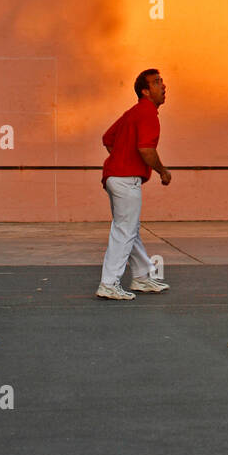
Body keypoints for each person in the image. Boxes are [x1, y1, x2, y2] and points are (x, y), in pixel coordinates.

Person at [97, 68, 172, 300]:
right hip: (125, 180)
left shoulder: (133, 113)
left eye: (162, 81)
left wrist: (121, 157)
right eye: (157, 83)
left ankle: (142, 276)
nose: (163, 86)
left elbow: (108, 138)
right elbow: (146, 150)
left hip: (115, 177)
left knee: (130, 228)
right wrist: (162, 171)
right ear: (145, 91)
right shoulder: (147, 112)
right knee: (124, 230)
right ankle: (109, 283)